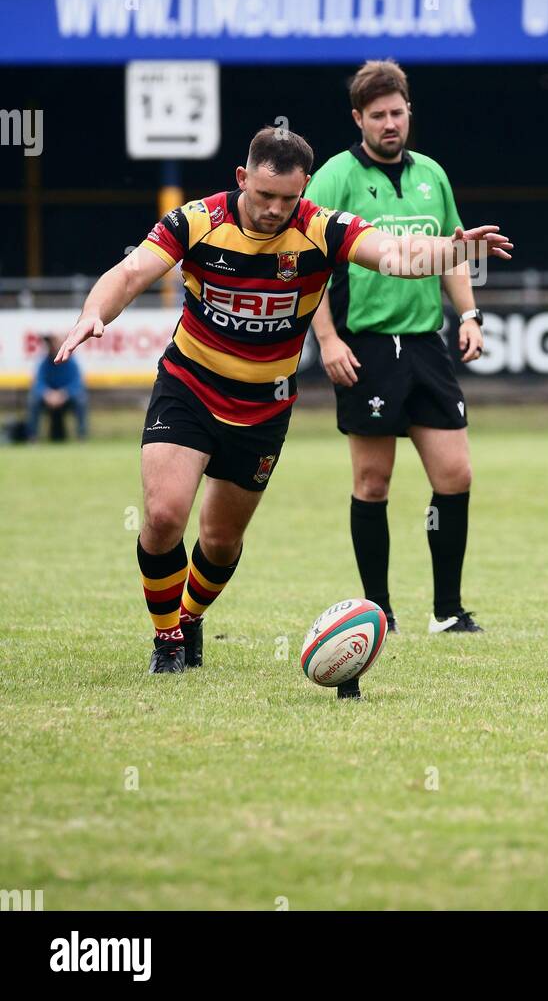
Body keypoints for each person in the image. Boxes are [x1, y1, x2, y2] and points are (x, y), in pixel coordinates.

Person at [53, 127, 512, 678]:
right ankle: (168, 638)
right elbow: (131, 274)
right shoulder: (196, 220)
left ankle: (192, 616)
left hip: (264, 406)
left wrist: (454, 250)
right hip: (190, 384)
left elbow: (395, 253)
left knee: (221, 542)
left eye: (287, 199)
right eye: (263, 195)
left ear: (306, 188)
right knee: (163, 515)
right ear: (242, 178)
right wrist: (92, 314)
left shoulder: (321, 227)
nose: (274, 210)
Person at [307, 60, 485, 637]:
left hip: (426, 345)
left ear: (410, 111)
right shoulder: (335, 177)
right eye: (378, 115)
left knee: (455, 474)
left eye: (397, 112)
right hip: (366, 346)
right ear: (358, 118)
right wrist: (328, 340)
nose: (390, 123)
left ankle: (448, 611)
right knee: (373, 482)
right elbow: (306, 266)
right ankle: (379, 611)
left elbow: (454, 252)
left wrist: (471, 316)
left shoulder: (433, 173)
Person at [27, 334, 88, 441]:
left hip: (66, 397)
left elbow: (77, 383)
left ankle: (82, 436)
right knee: (33, 400)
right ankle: (32, 437)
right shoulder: (44, 362)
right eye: (48, 344)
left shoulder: (71, 362)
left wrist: (63, 394)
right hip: (49, 398)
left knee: (81, 400)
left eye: (52, 343)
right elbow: (38, 383)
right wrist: (47, 394)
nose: (50, 346)